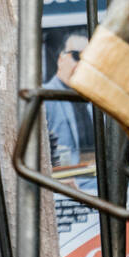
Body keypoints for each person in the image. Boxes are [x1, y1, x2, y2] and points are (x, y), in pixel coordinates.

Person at [45, 32, 95, 167]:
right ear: (61, 58)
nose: (82, 65)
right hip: (67, 183)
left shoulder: (94, 98)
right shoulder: (45, 97)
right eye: (76, 56)